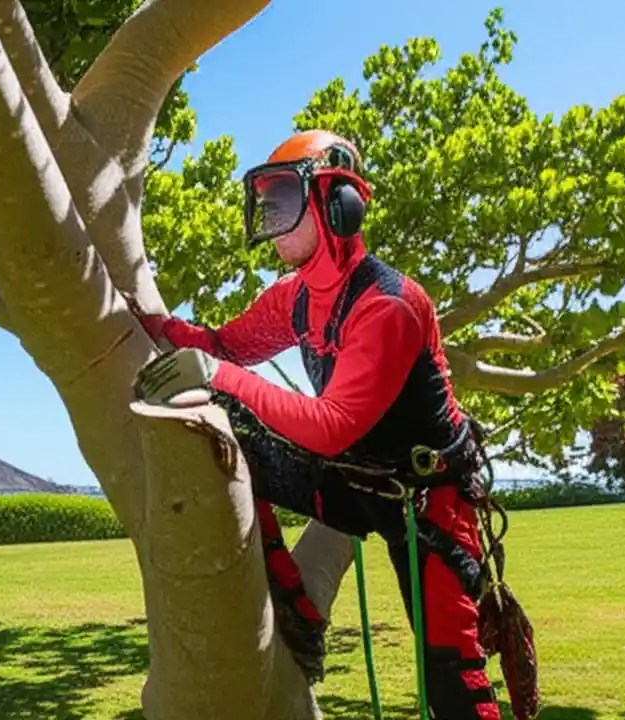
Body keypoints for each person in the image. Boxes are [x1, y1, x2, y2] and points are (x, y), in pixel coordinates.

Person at [129, 130, 509, 720]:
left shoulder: (390, 306)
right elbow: (227, 345)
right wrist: (151, 322)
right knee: (227, 435)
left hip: (428, 504)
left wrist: (214, 374)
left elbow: (331, 426)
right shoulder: (296, 298)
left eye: (282, 200)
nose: (270, 218)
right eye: (267, 203)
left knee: (452, 678)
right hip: (357, 486)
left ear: (338, 205)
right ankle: (297, 608)